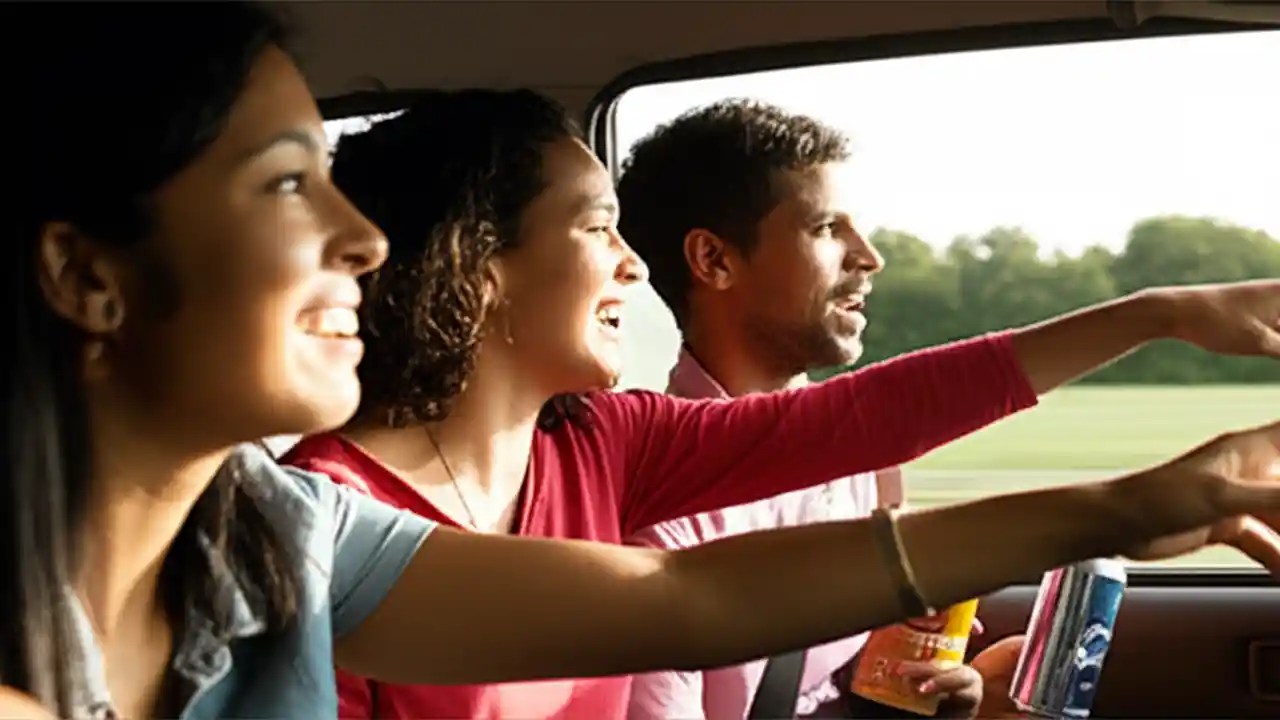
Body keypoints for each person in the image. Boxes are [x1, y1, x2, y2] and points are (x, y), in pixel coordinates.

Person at [6, 5, 1280, 720]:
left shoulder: (297, 531)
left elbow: (700, 595)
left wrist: (1128, 475)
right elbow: (695, 605)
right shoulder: (336, 509)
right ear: (85, 275)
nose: (358, 240)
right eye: (289, 185)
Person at [280, 88, 1280, 720]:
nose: (633, 264)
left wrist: (1159, 314)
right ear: (476, 264)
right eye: (597, 229)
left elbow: (875, 414)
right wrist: (1132, 502)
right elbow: (691, 607)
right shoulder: (313, 523)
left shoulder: (603, 441)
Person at [616, 98, 1026, 719]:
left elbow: (845, 682)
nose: (869, 256)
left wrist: (929, 695)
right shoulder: (660, 507)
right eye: (827, 229)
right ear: (714, 261)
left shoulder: (860, 454)